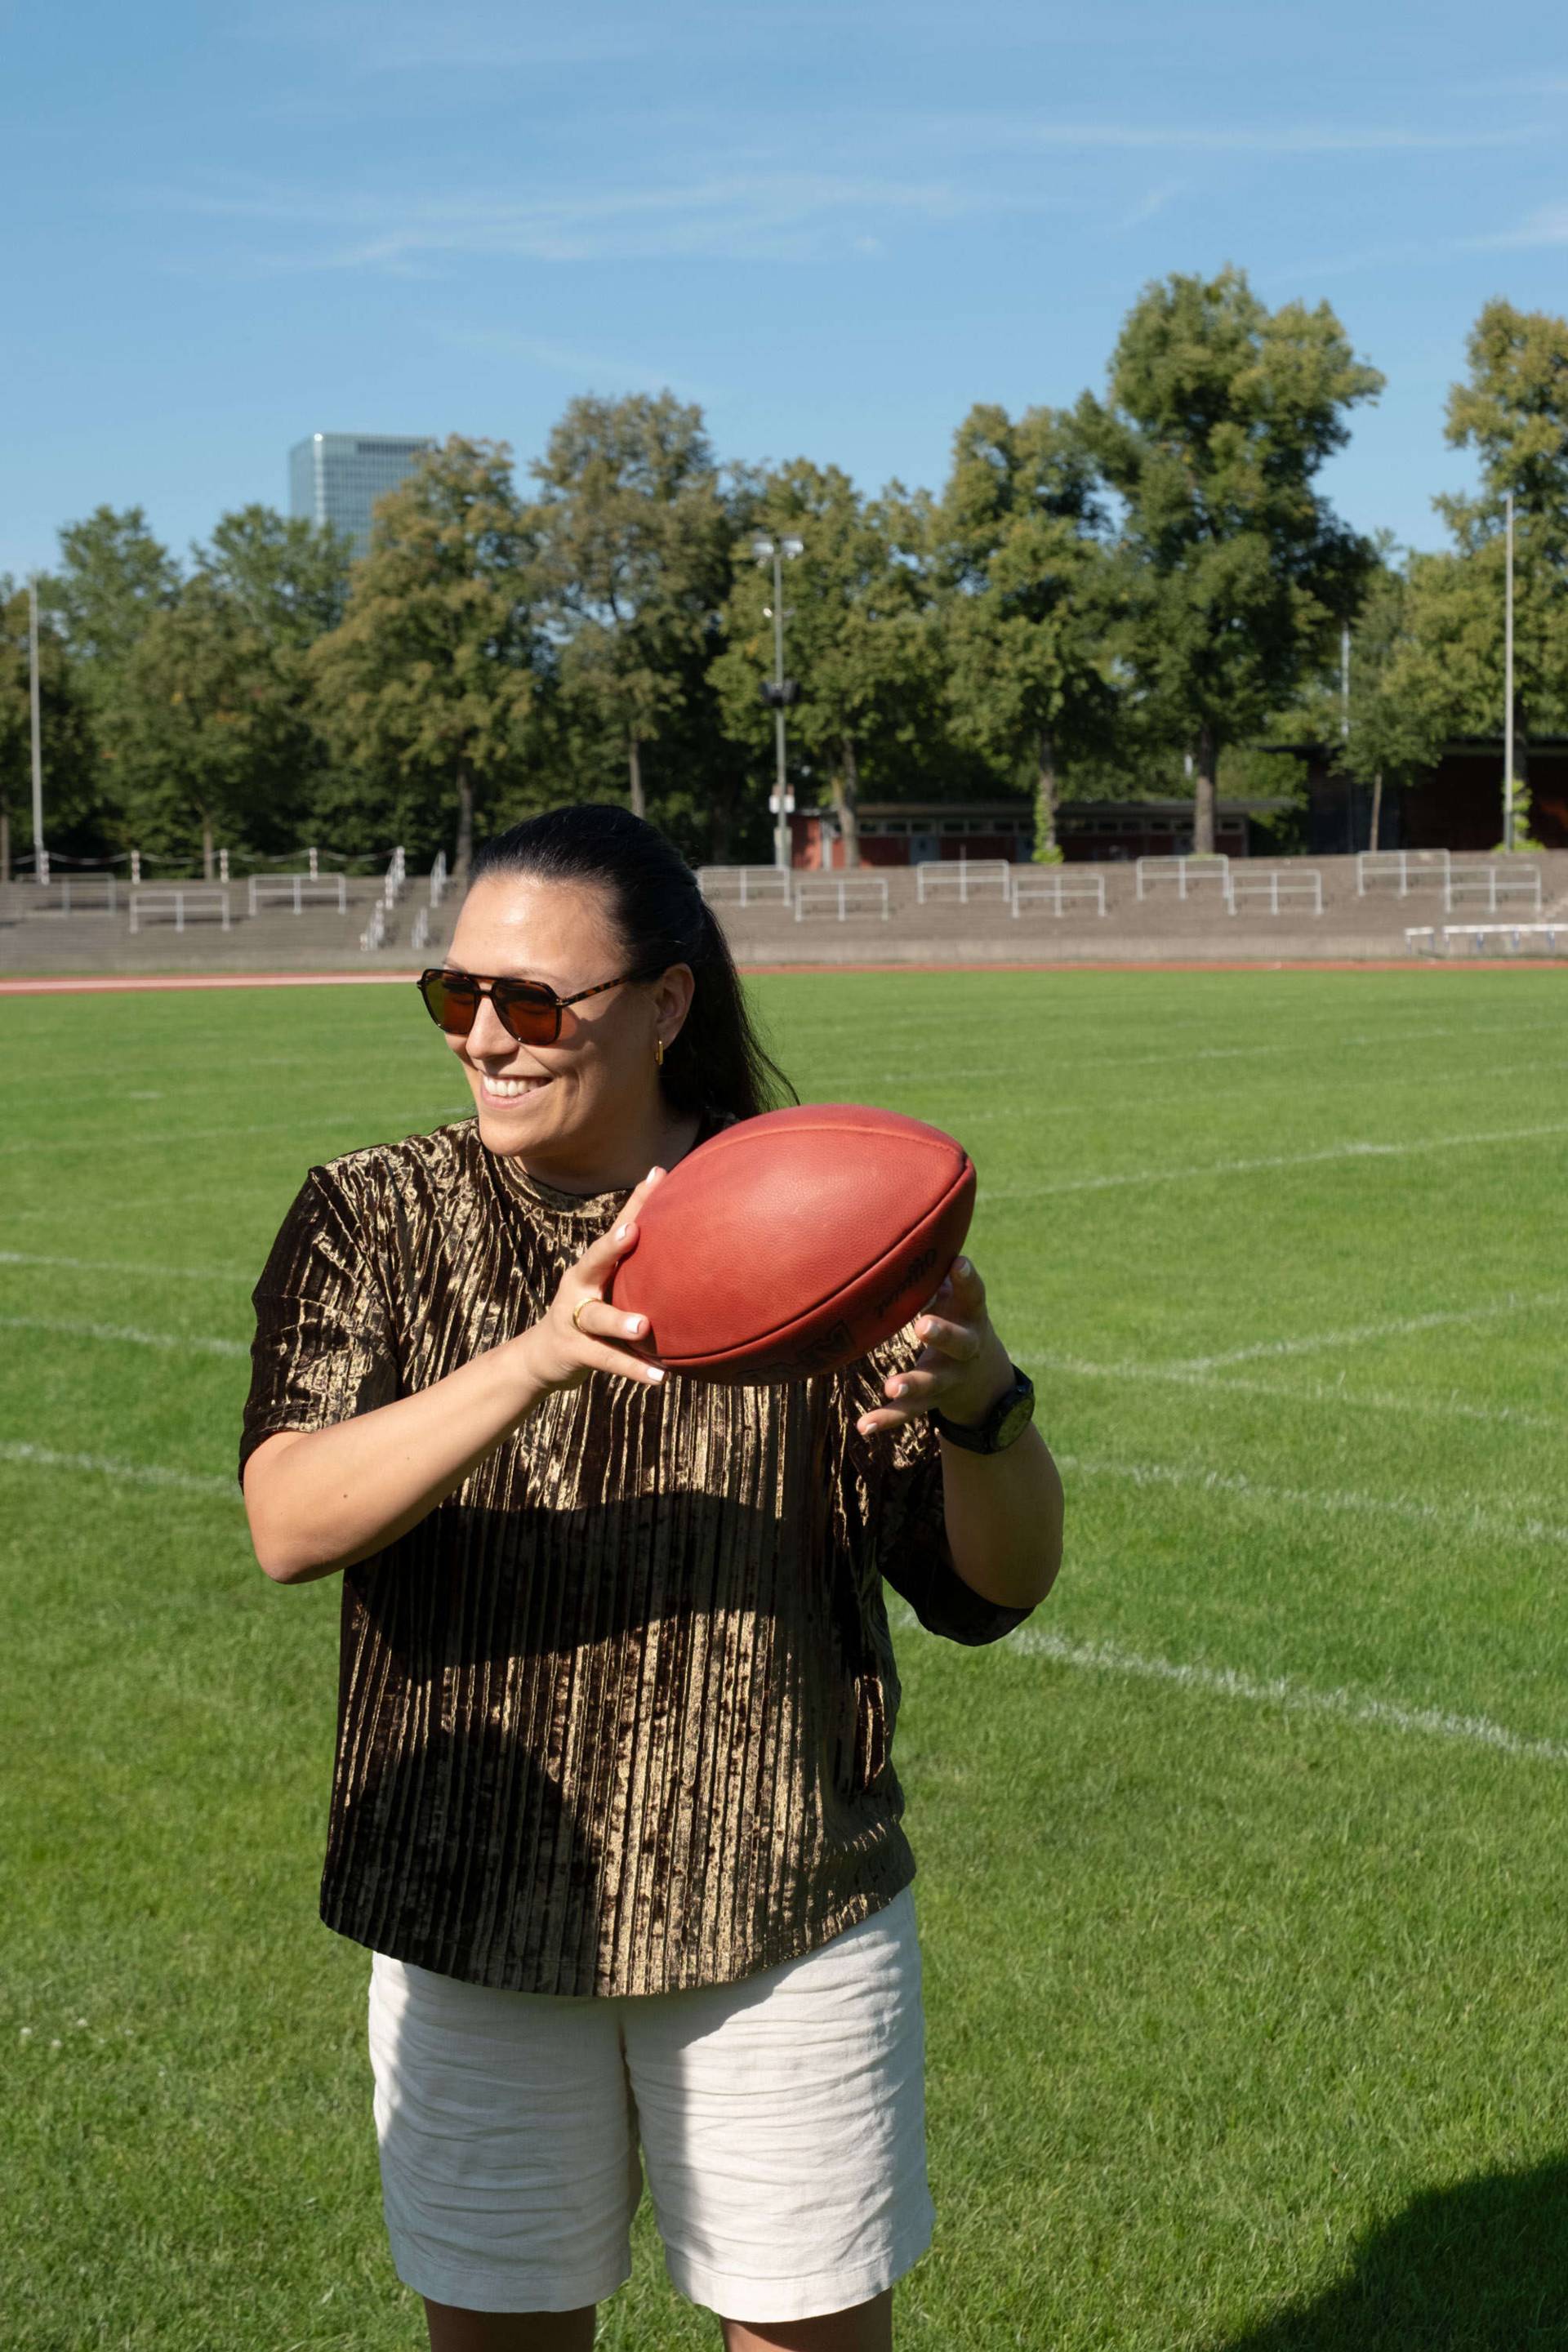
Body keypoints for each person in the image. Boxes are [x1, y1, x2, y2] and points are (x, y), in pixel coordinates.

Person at [238, 804, 1063, 2352]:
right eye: (454, 995)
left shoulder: (810, 1232)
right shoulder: (374, 1214)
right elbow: (291, 1520)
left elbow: (992, 1588)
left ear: (668, 1004)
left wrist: (986, 1408)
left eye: (533, 1003)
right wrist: (543, 1355)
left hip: (776, 1911)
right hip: (472, 1903)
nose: (484, 1035)